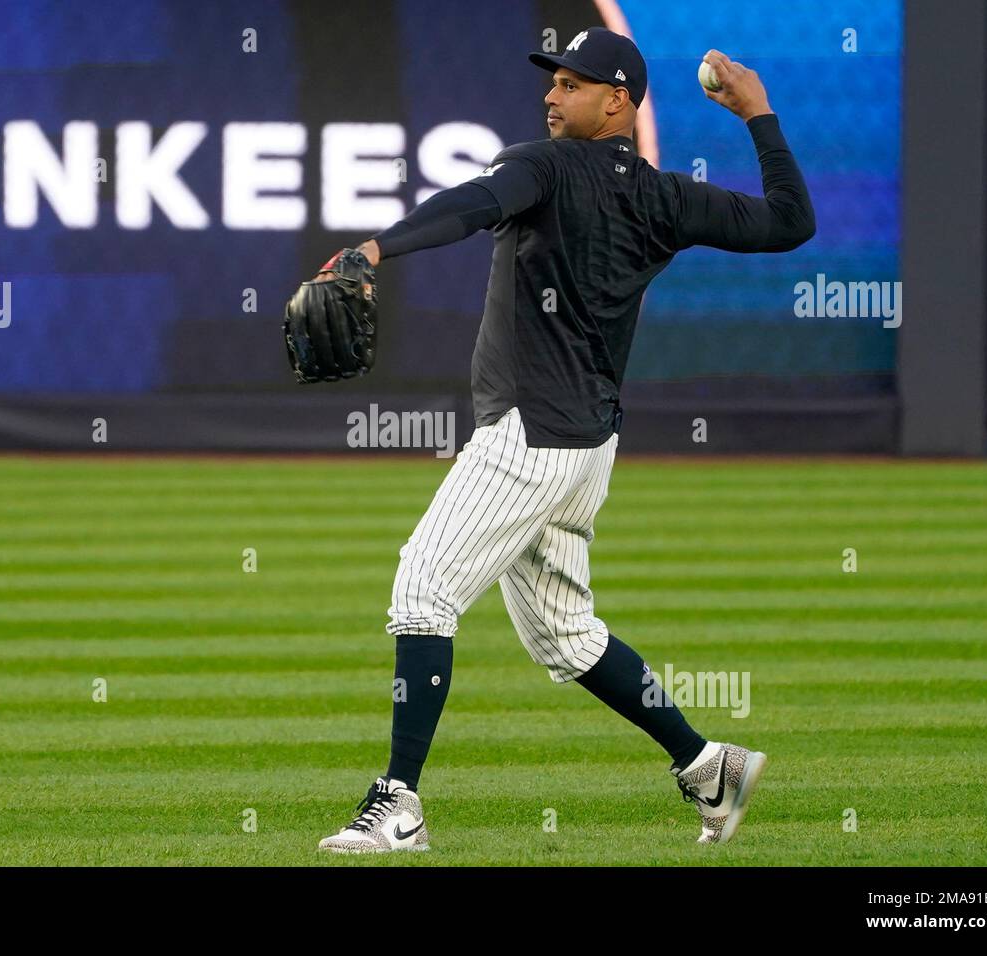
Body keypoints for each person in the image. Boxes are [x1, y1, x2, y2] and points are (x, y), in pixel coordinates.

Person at [316, 27, 816, 852]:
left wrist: (378, 245)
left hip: (530, 434)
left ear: (617, 101)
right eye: (554, 79)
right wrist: (757, 114)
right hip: (587, 446)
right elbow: (791, 222)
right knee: (567, 635)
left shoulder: (543, 167)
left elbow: (473, 206)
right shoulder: (669, 198)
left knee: (422, 588)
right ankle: (708, 766)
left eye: (575, 83)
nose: (554, 93)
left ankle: (398, 804)